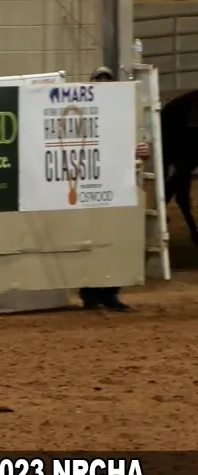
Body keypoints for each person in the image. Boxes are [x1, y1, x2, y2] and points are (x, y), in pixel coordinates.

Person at [78, 65, 153, 313]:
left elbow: (142, 146)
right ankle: (91, 292)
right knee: (92, 237)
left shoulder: (127, 116)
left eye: (108, 83)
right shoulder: (82, 116)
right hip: (91, 185)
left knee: (119, 237)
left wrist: (143, 151)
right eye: (99, 82)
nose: (104, 87)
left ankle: (110, 292)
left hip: (119, 185)